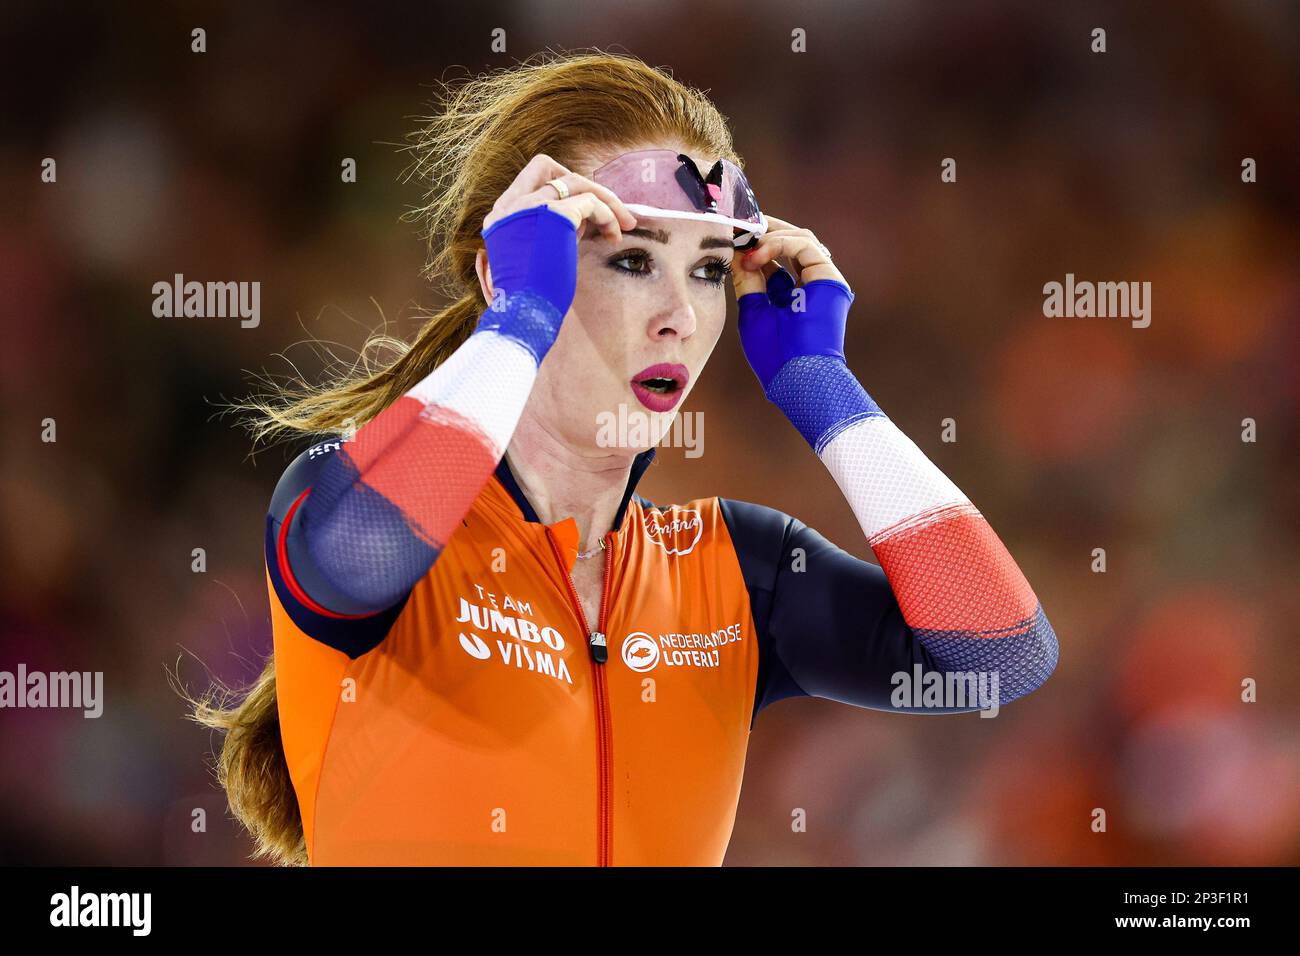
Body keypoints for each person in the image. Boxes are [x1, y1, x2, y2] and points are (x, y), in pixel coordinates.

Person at [194, 50, 1058, 866]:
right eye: (634, 260)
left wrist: (821, 386)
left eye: (712, 270)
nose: (681, 316)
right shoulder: (359, 504)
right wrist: (520, 320)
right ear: (512, 274)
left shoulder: (739, 575)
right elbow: (361, 551)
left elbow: (1001, 658)